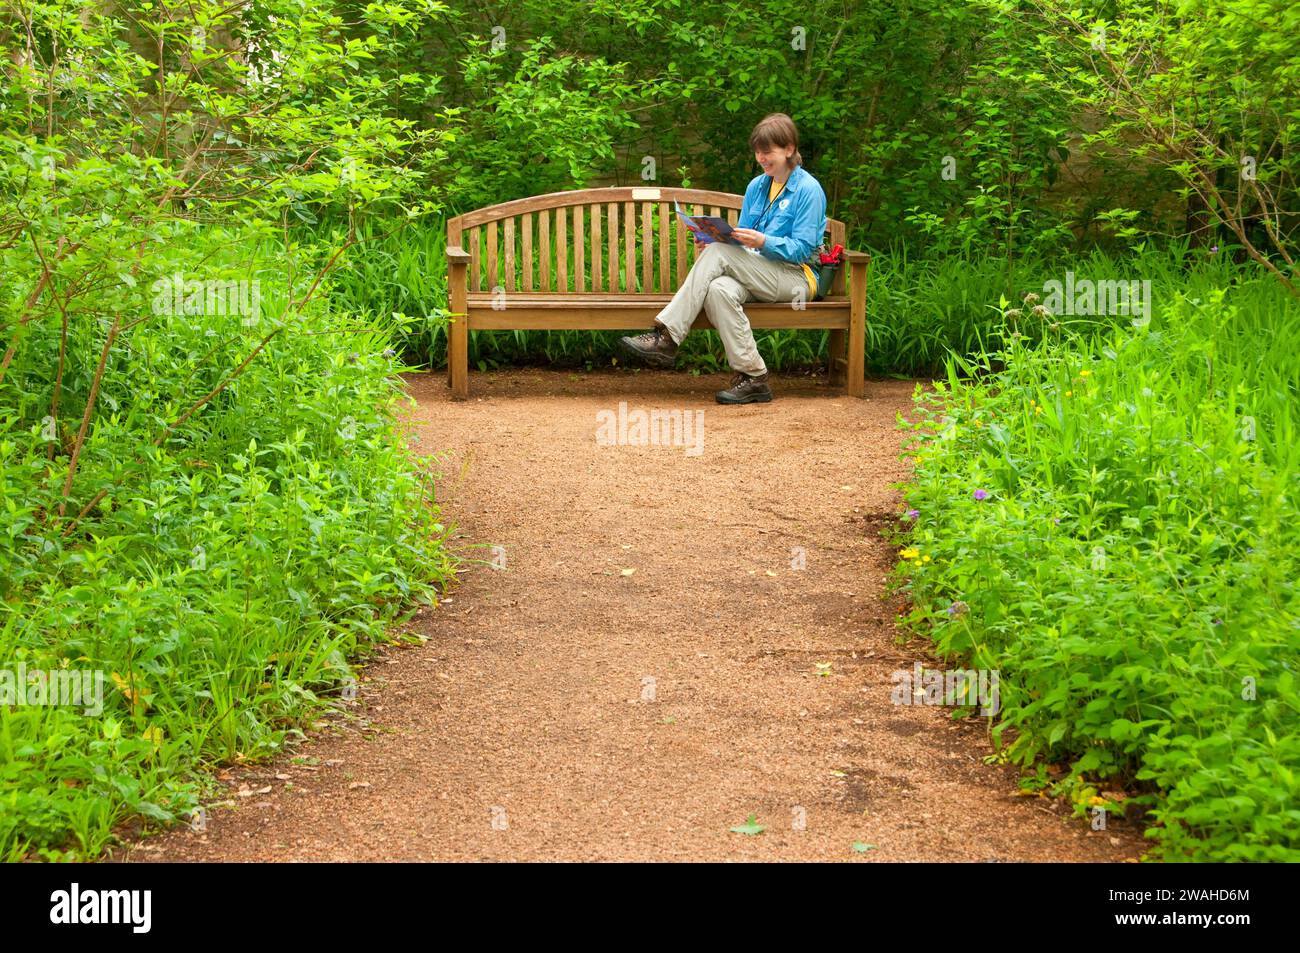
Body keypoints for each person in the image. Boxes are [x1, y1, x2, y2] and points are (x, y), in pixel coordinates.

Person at [618, 113, 827, 404]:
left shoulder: (809, 190)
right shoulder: (757, 186)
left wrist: (762, 241)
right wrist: (716, 239)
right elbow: (742, 241)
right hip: (760, 271)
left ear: (789, 149)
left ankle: (667, 336)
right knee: (718, 290)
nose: (761, 158)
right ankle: (754, 377)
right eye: (757, 152)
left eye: (767, 152)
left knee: (719, 256)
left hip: (796, 277)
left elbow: (803, 249)